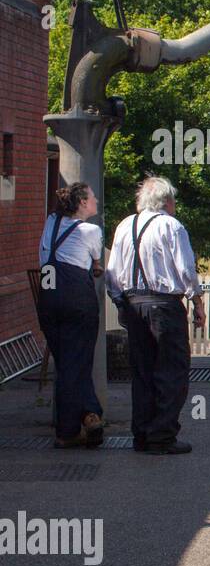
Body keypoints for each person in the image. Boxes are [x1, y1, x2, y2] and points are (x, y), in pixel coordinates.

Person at [105, 176, 204, 455]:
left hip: (133, 303)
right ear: (167, 201)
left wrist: (120, 302)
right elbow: (186, 270)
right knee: (171, 370)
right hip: (164, 304)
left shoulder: (125, 225)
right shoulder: (171, 226)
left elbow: (113, 273)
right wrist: (197, 302)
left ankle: (142, 434)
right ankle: (162, 436)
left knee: (142, 371)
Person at [35, 182, 105, 448]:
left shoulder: (51, 222)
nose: (96, 200)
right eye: (92, 197)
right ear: (82, 204)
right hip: (77, 302)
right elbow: (95, 265)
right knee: (76, 362)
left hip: (48, 299)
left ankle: (87, 417)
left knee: (66, 363)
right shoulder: (91, 230)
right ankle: (71, 428)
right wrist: (95, 268)